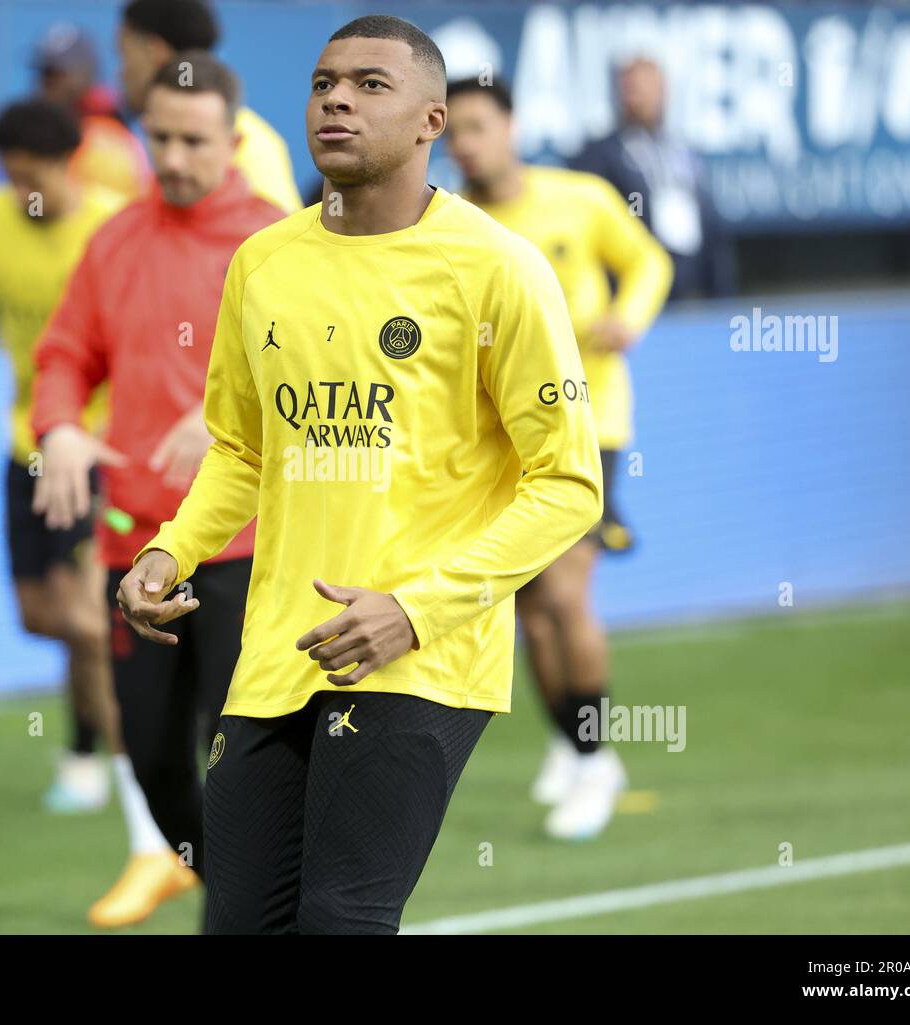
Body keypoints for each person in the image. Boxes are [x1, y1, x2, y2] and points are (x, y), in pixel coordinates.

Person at [102, 15, 603, 934]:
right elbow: (244, 450)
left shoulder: (498, 269)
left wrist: (415, 609)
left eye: (372, 84)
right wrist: (167, 554)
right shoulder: (264, 264)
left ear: (431, 123)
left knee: (341, 918)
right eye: (325, 81)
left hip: (423, 659)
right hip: (277, 658)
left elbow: (568, 483)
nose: (337, 97)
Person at [31, 51, 284, 929]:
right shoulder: (115, 240)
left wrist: (229, 420)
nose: (173, 157)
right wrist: (58, 424)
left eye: (193, 139)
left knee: (243, 757)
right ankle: (243, 902)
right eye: (160, 138)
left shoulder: (278, 241)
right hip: (134, 549)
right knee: (151, 759)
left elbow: (321, 375)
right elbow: (64, 354)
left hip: (247, 547)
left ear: (233, 138)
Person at [445, 76, 673, 840]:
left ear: (510, 126)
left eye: (479, 125)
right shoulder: (452, 225)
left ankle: (594, 757)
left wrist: (628, 317)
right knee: (530, 615)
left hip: (588, 423)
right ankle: (578, 748)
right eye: (456, 132)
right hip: (502, 436)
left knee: (564, 599)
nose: (467, 143)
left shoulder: (580, 197)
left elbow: (648, 261)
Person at [0, 99, 133, 821]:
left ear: (65, 166)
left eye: (31, 175)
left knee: (86, 618)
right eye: (8, 173)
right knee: (40, 616)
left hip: (93, 443)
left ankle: (115, 763)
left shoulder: (110, 226)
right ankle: (114, 729)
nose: (19, 189)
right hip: (24, 442)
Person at [117, 0, 303, 214]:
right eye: (161, 138)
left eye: (124, 55)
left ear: (155, 53)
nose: (121, 73)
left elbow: (280, 242)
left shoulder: (252, 144)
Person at [573, 56, 732, 300]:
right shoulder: (600, 153)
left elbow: (709, 222)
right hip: (631, 289)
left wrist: (721, 291)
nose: (638, 97)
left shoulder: (682, 151)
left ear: (664, 91)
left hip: (690, 282)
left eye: (648, 87)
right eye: (631, 89)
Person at [33, 22, 152, 204]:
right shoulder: (42, 127)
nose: (48, 83)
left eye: (58, 74)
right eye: (45, 73)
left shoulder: (106, 136)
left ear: (87, 74)